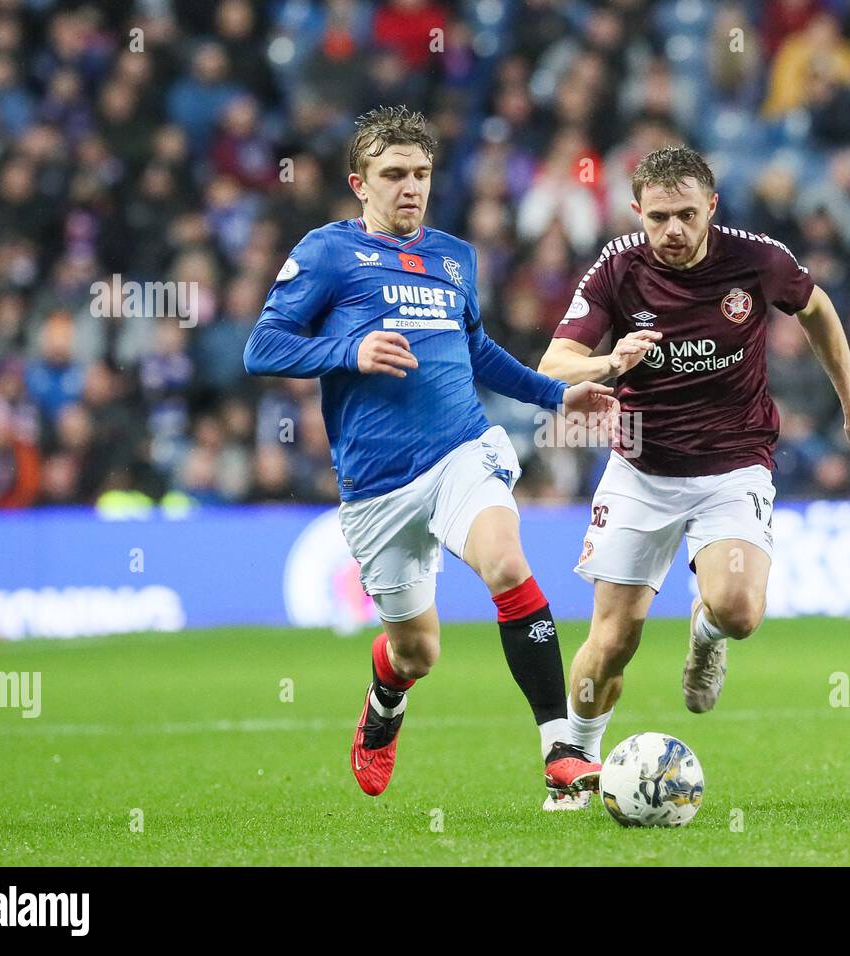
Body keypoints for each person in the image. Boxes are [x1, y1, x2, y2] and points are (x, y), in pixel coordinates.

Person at [243, 106, 617, 809]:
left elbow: (476, 351)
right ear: (360, 183)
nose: (410, 186)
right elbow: (262, 347)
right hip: (377, 485)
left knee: (506, 563)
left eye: (421, 173)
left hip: (461, 452)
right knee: (417, 652)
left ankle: (561, 752)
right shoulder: (327, 253)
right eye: (393, 174)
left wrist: (555, 395)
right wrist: (348, 350)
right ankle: (385, 699)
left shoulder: (454, 257)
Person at [538, 145, 850, 783]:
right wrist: (610, 362)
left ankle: (706, 636)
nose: (672, 230)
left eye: (686, 215)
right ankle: (575, 763)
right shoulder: (618, 268)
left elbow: (817, 308)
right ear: (637, 212)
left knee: (738, 611)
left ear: (712, 207)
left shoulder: (756, 259)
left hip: (734, 464)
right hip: (641, 470)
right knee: (612, 642)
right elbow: (554, 362)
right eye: (658, 217)